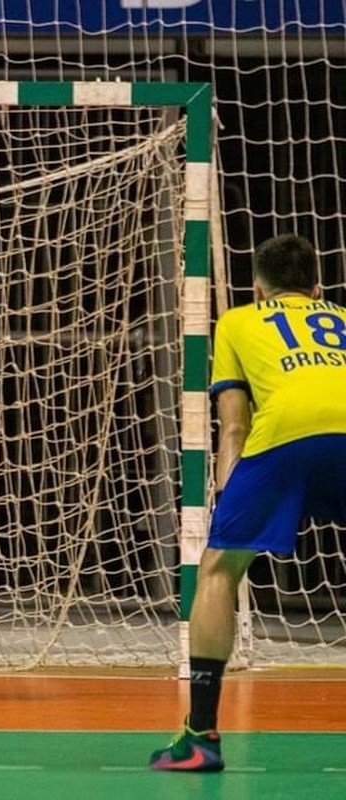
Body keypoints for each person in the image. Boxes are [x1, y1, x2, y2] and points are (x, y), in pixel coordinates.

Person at [150, 233, 346, 771]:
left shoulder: (239, 320)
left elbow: (234, 425)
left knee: (218, 570)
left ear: (259, 290)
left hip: (285, 436)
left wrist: (229, 501)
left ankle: (200, 737)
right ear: (318, 289)